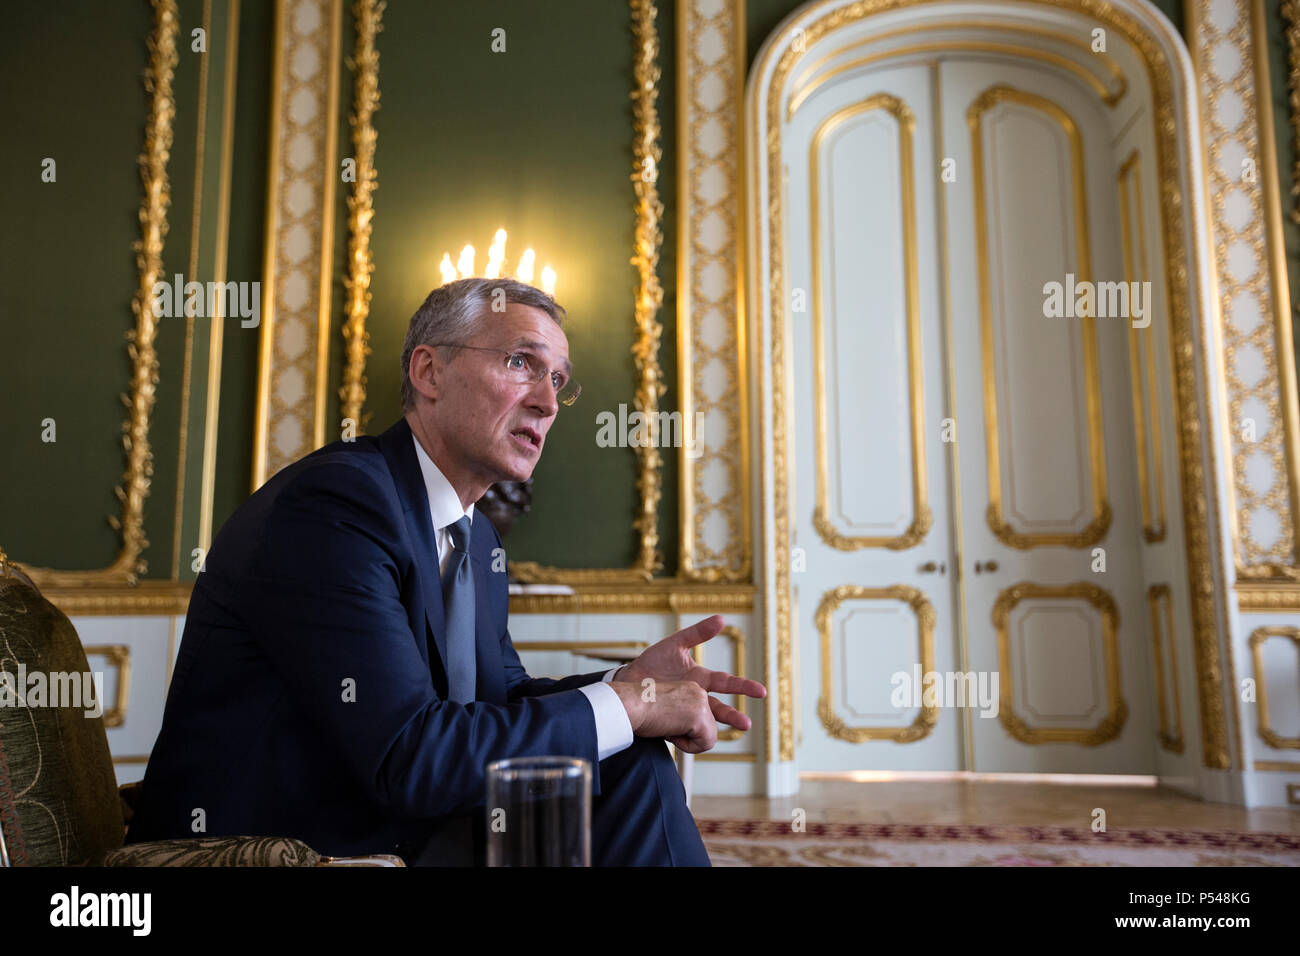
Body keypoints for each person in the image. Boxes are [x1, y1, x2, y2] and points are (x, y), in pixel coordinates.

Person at [126, 277, 766, 866]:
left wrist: (631, 686)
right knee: (623, 751)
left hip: (390, 814)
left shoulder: (476, 534)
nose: (546, 402)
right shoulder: (337, 505)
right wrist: (624, 707)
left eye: (558, 380)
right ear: (429, 371)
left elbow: (496, 697)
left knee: (630, 758)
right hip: (282, 838)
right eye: (521, 363)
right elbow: (410, 755)